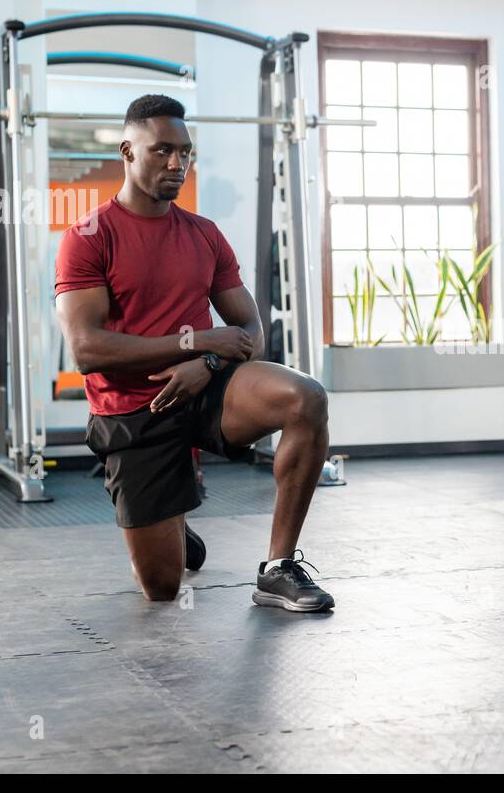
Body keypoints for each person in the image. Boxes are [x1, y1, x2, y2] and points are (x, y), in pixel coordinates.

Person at [54, 94, 334, 612]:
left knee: (305, 398)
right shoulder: (88, 237)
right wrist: (200, 341)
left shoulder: (203, 234)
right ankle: (172, 523)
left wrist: (205, 365)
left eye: (186, 152)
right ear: (128, 151)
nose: (177, 163)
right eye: (162, 150)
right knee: (162, 590)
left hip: (206, 390)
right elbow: (87, 350)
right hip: (136, 410)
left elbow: (250, 327)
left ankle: (278, 567)